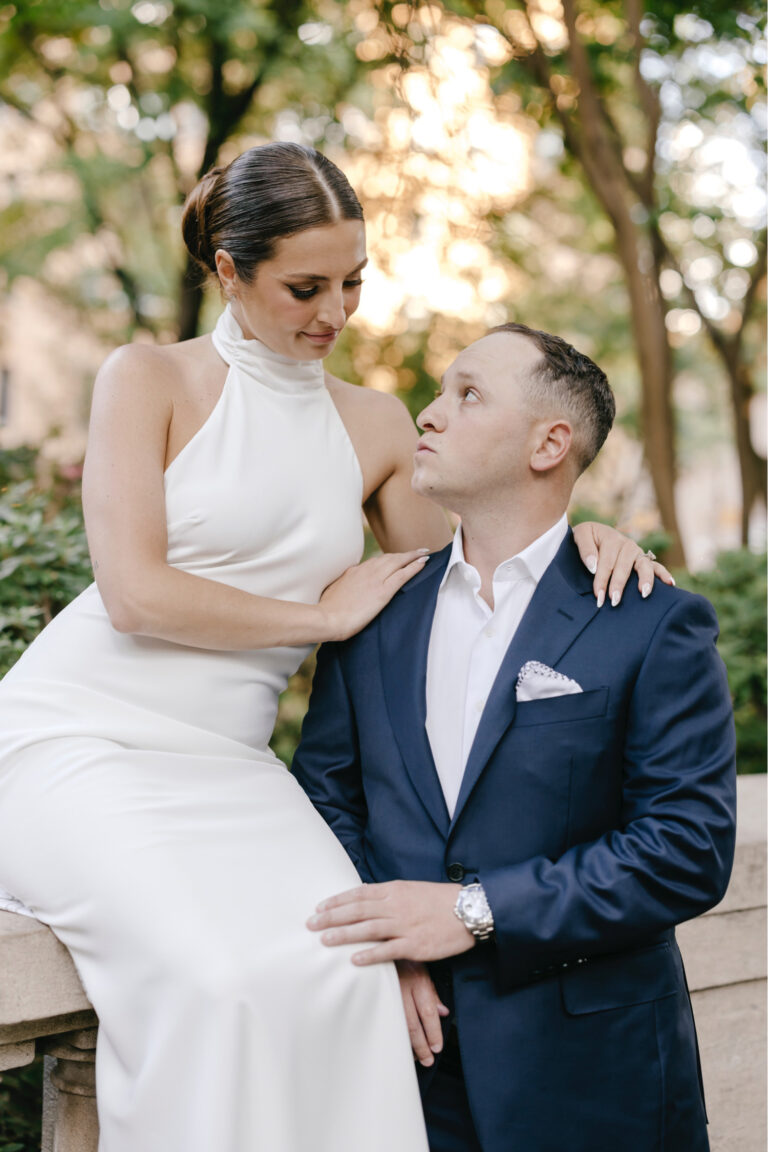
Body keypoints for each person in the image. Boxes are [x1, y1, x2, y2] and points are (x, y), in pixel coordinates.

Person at [0, 144, 665, 1152]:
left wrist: (581, 537)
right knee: (213, 985)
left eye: (353, 282)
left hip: (234, 765)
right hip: (79, 738)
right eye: (304, 287)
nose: (336, 312)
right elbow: (135, 596)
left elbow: (473, 582)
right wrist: (319, 618)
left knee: (354, 978)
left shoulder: (375, 424)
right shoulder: (148, 379)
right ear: (229, 270)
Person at [294, 322, 737, 1152]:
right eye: (439, 392)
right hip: (401, 1070)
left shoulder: (651, 622)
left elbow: (687, 848)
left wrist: (474, 912)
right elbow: (325, 798)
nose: (428, 414)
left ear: (550, 442)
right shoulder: (371, 613)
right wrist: (390, 951)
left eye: (468, 395)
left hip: (595, 1078)